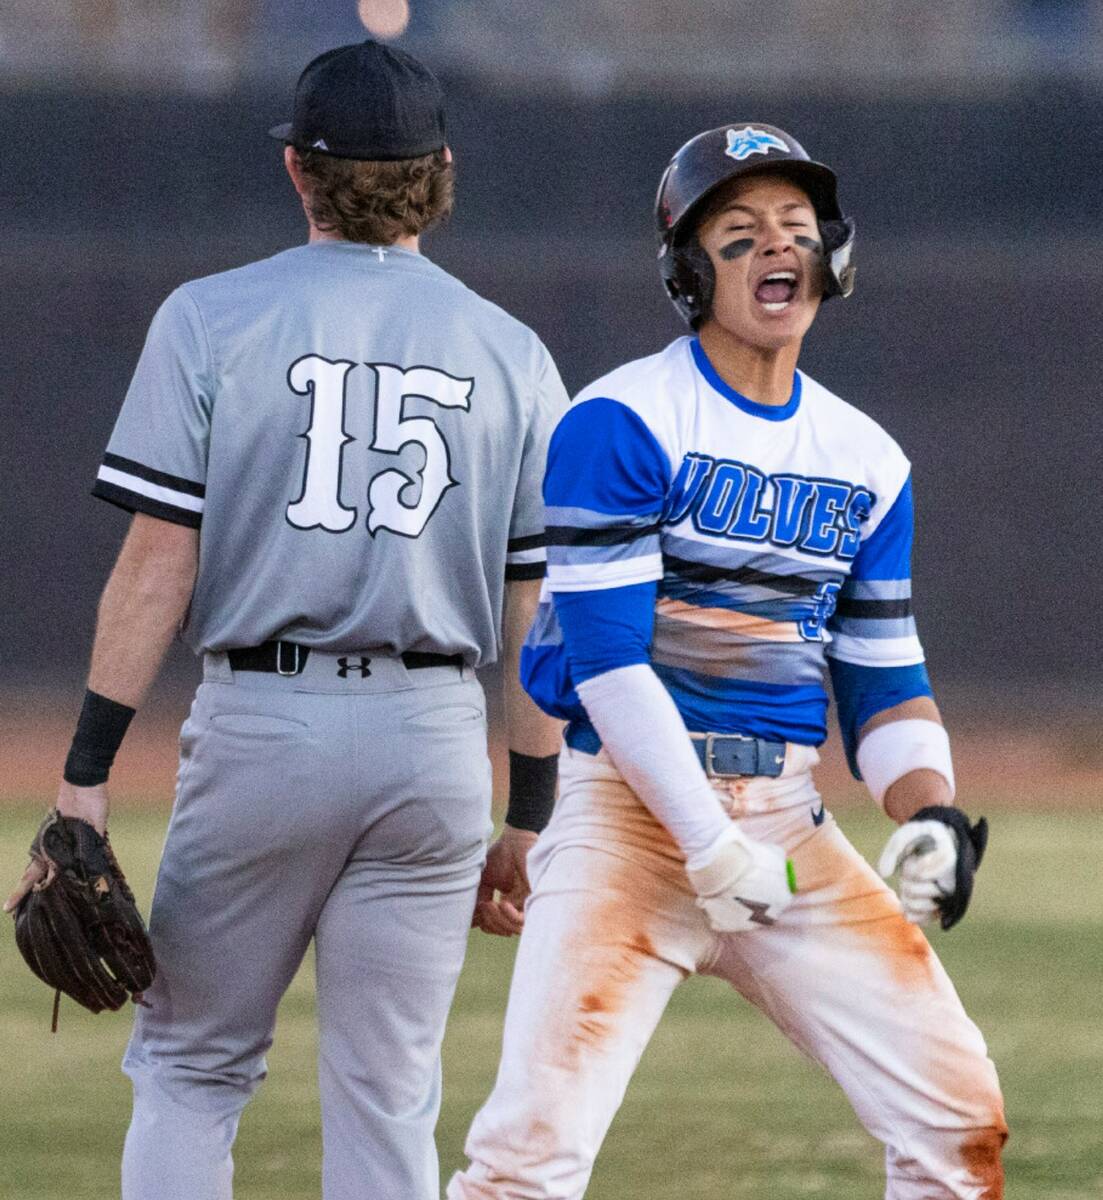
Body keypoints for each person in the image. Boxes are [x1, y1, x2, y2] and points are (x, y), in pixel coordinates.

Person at [5, 39, 565, 1200]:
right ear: (441, 173)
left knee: (192, 1068)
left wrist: (85, 776)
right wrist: (529, 814)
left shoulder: (210, 320)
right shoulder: (514, 356)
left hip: (268, 724)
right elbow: (538, 611)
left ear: (299, 173)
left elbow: (157, 566)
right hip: (431, 739)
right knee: (388, 1096)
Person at [447, 123, 1007, 1199]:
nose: (774, 249)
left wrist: (928, 813)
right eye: (739, 233)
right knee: (524, 1164)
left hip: (783, 824)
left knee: (953, 1120)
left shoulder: (866, 459)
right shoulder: (620, 418)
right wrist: (703, 842)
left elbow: (882, 670)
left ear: (833, 261)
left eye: (795, 229)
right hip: (626, 820)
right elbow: (609, 667)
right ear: (685, 268)